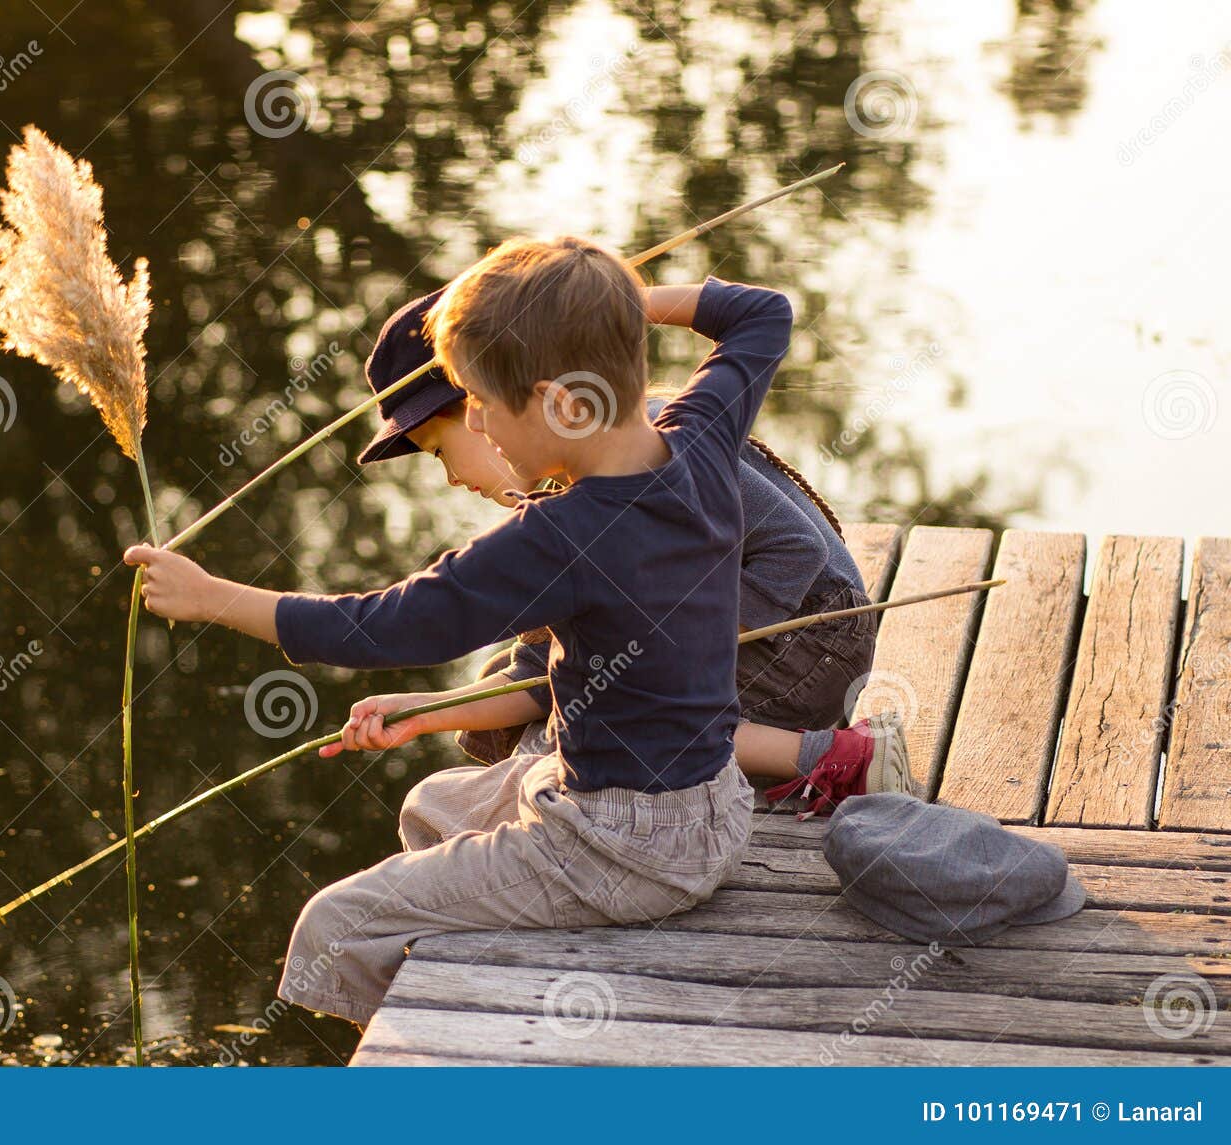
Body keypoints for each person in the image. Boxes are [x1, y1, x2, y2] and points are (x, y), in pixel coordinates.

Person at [125, 238, 910, 1026]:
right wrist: (611, 307)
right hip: (711, 811)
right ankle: (472, 979)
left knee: (335, 924)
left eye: (480, 401)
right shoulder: (699, 438)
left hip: (619, 847)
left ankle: (432, 1053)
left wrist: (212, 596)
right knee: (433, 806)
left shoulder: (562, 536)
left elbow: (384, 624)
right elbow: (761, 315)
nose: (473, 421)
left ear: (563, 405)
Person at [328, 285, 908, 815]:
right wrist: (419, 713)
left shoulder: (647, 450)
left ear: (496, 400)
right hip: (780, 642)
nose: (453, 477)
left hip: (813, 639)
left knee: (589, 714)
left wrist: (675, 642)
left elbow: (797, 553)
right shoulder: (570, 492)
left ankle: (833, 759)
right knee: (524, 680)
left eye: (440, 451)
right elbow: (537, 672)